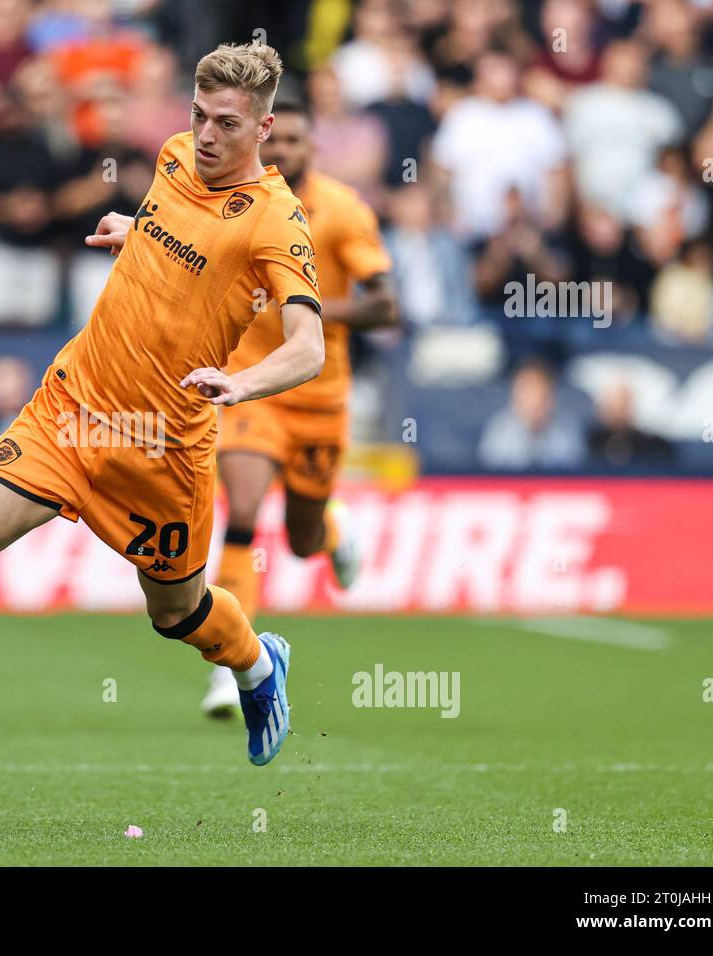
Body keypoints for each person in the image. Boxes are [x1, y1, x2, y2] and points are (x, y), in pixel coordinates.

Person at [0, 42, 326, 806]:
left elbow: (308, 347)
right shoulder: (174, 158)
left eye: (227, 123)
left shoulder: (275, 222)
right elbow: (180, 241)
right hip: (73, 408)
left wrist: (240, 382)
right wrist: (140, 232)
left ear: (263, 127)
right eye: (199, 115)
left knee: (178, 613)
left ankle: (257, 664)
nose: (208, 134)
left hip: (160, 448)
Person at [203, 97, 398, 717]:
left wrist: (302, 306)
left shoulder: (342, 211)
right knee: (243, 511)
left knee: (301, 539)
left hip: (319, 396)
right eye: (274, 139)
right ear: (260, 140)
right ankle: (231, 662)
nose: (282, 149)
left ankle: (332, 529)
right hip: (251, 387)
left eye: (294, 139)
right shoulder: (234, 201)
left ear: (312, 146)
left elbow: (385, 306)